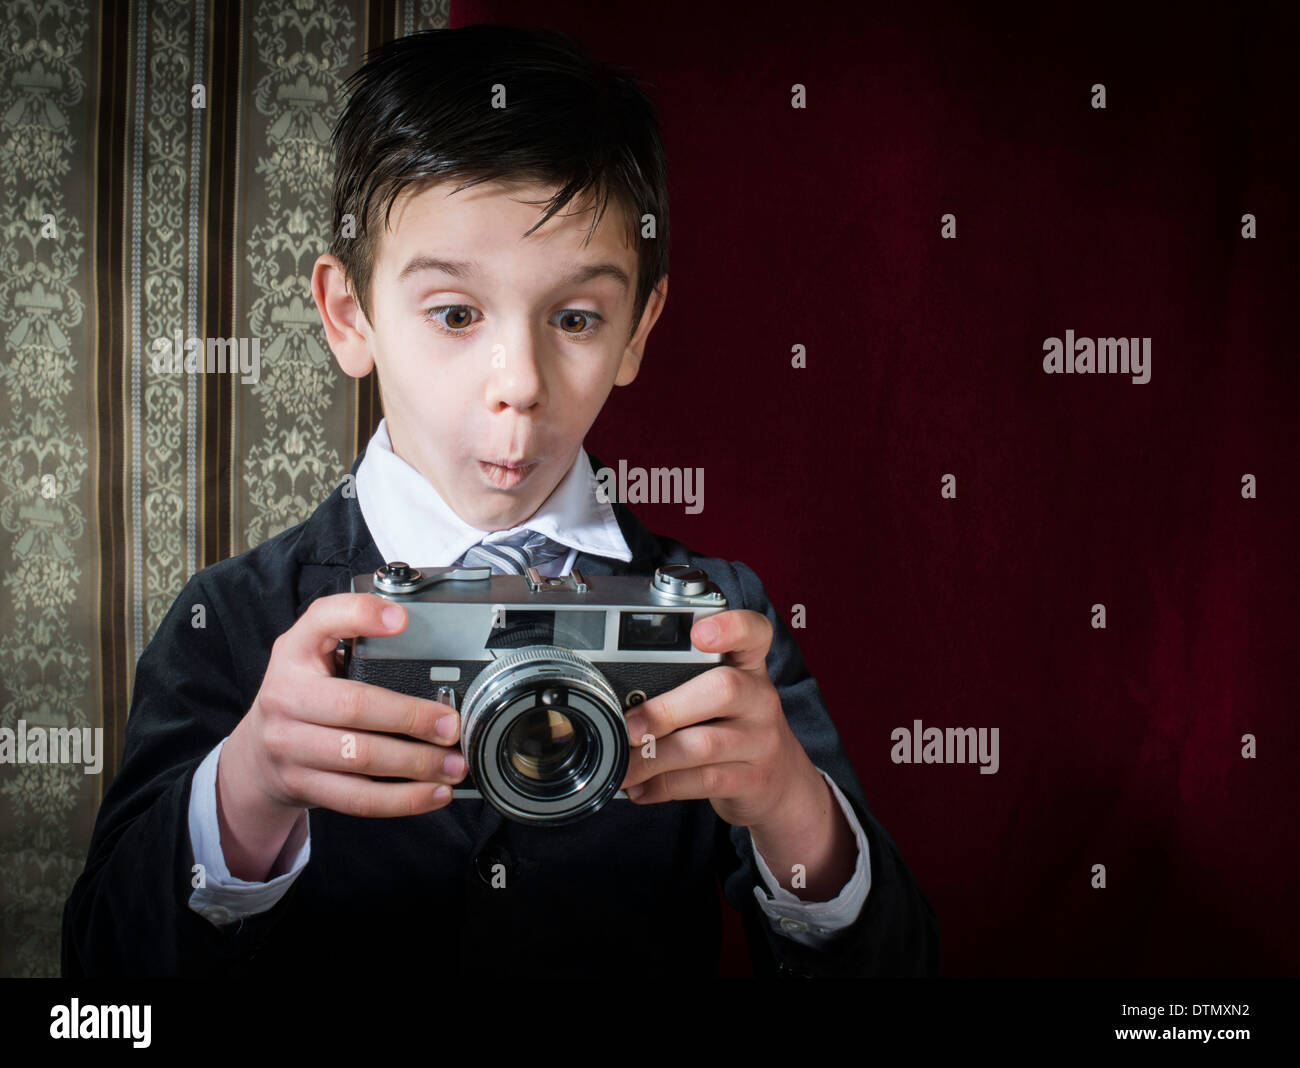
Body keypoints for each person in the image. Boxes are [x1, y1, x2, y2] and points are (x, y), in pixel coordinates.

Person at [62, 24, 939, 978]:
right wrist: (246, 792)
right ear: (349, 316)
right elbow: (100, 990)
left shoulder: (717, 621)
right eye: (454, 313)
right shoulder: (233, 619)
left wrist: (790, 806)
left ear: (637, 331)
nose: (517, 380)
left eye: (574, 318)